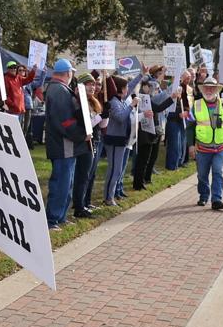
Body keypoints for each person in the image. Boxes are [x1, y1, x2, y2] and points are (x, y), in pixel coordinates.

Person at [43, 59, 88, 229]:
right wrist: (82, 135)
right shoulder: (59, 90)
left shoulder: (57, 88)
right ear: (68, 73)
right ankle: (52, 219)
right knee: (61, 183)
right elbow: (65, 122)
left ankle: (60, 216)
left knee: (66, 182)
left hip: (65, 144)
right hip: (64, 144)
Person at [187, 78, 223, 210]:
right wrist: (191, 145)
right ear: (203, 90)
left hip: (221, 147)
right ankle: (203, 196)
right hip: (202, 148)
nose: (209, 90)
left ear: (216, 90)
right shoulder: (196, 105)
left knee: (217, 171)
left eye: (212, 88)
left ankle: (216, 200)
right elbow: (190, 127)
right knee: (202, 175)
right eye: (206, 88)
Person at [132, 69, 177, 191]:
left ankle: (141, 181)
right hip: (144, 131)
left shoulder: (148, 97)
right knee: (142, 159)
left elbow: (157, 108)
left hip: (150, 130)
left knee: (146, 158)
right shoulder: (142, 98)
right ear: (144, 86)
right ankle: (138, 183)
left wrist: (171, 98)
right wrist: (171, 98)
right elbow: (158, 108)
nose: (152, 89)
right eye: (150, 86)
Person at [96, 75, 136, 206]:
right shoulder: (114, 102)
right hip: (114, 140)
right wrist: (131, 105)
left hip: (121, 139)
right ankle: (108, 198)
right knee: (114, 169)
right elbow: (120, 117)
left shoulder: (121, 99)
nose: (128, 90)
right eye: (126, 87)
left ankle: (110, 195)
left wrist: (142, 74)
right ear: (121, 89)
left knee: (117, 170)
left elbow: (132, 86)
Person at [75, 73, 103, 216]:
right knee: (83, 175)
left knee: (90, 174)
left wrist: (105, 116)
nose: (93, 87)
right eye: (89, 84)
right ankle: (79, 207)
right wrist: (99, 118)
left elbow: (101, 124)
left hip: (95, 139)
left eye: (94, 84)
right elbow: (87, 124)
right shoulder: (79, 102)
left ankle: (85, 202)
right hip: (85, 142)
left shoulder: (93, 101)